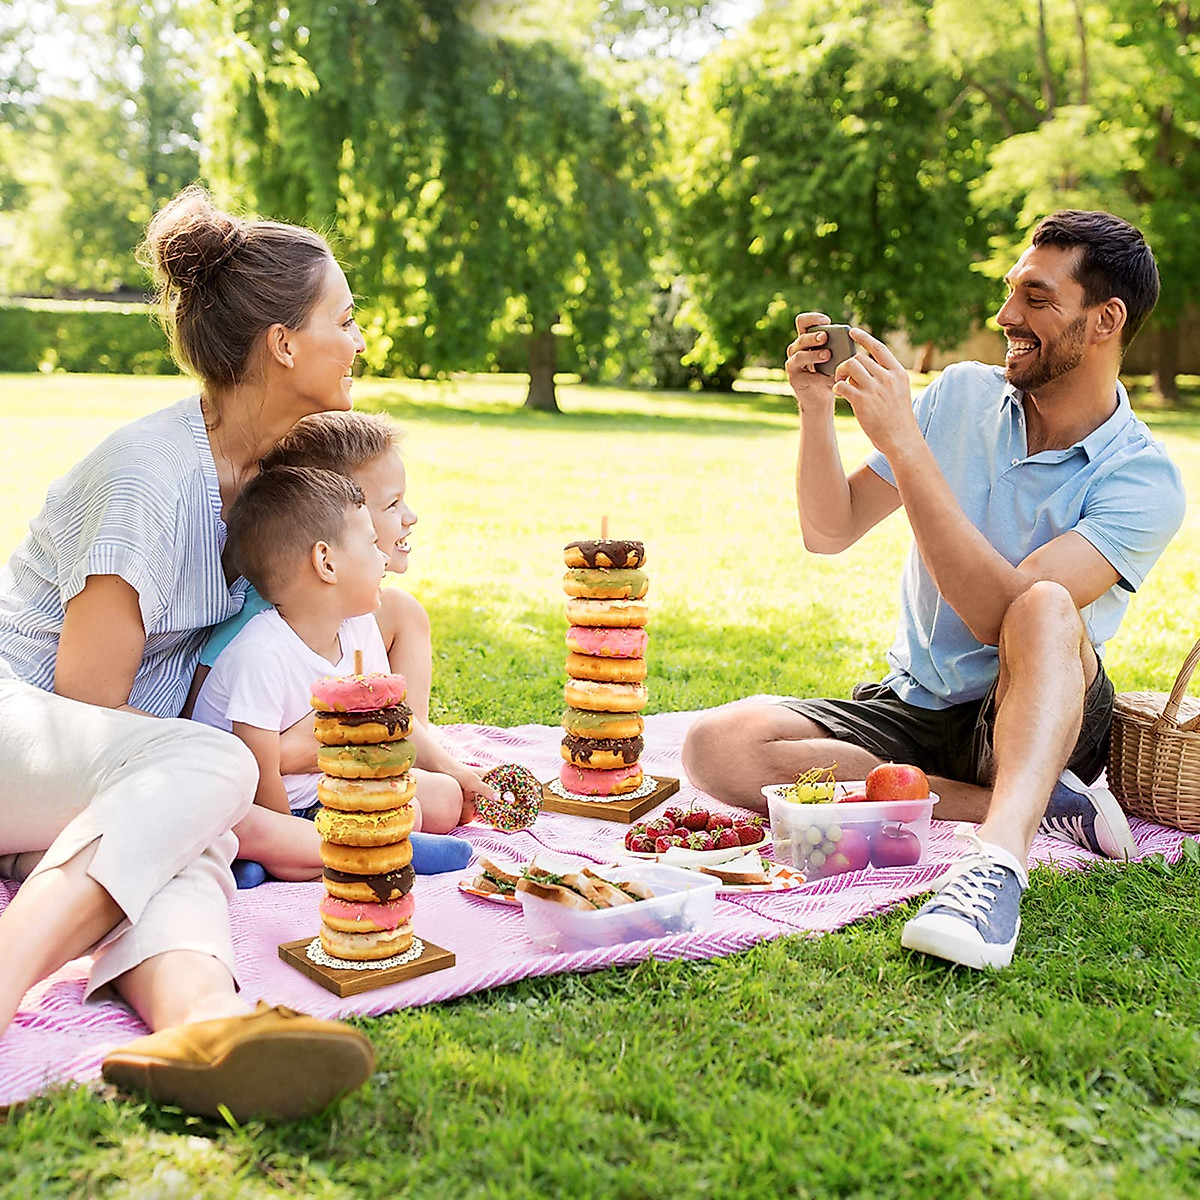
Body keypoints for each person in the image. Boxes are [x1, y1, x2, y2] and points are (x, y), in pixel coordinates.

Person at [682, 210, 1186, 971]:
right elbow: (831, 528)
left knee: (1044, 606)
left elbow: (1002, 616)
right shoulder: (962, 397)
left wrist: (906, 446)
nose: (1006, 316)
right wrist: (817, 412)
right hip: (914, 704)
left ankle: (995, 864)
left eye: (1038, 299)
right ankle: (1036, 804)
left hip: (1028, 706)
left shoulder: (1143, 479)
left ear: (1106, 318)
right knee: (714, 747)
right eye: (1012, 291)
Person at [0, 185, 376, 1120]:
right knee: (200, 778)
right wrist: (263, 812)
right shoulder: (147, 477)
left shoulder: (274, 478)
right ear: (283, 342)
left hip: (106, 774)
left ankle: (201, 1025)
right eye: (345, 316)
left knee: (184, 824)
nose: (359, 337)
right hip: (27, 724)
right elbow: (86, 708)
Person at [190, 409, 492, 832]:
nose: (410, 516)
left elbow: (392, 714)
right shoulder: (255, 641)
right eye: (390, 505)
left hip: (332, 775)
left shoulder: (356, 620)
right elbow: (232, 752)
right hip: (273, 793)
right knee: (413, 808)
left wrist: (449, 767)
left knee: (440, 797)